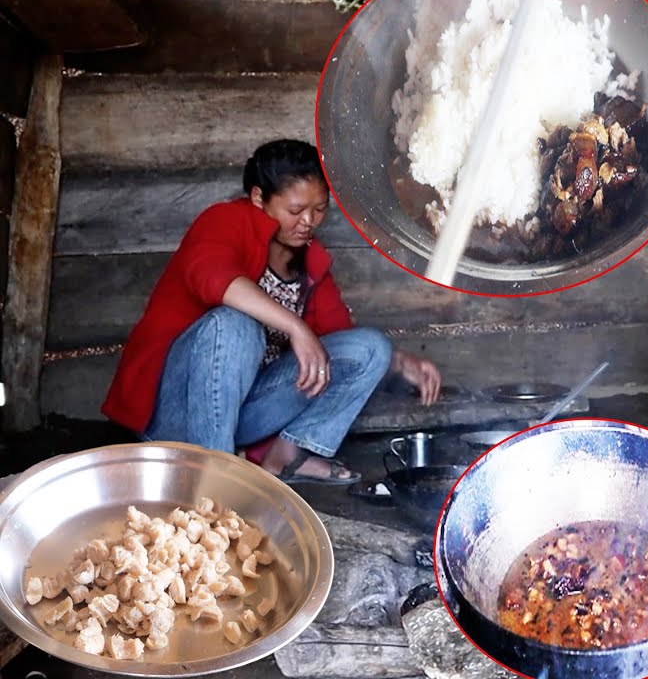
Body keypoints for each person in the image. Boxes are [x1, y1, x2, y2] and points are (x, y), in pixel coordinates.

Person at [102, 139, 443, 484]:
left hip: (242, 415)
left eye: (320, 209)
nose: (309, 221)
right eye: (295, 211)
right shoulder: (225, 220)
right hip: (176, 412)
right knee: (234, 325)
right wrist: (296, 327)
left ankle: (284, 458)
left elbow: (338, 341)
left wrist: (397, 363)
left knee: (370, 348)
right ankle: (217, 478)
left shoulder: (311, 260)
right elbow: (211, 279)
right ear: (258, 198)